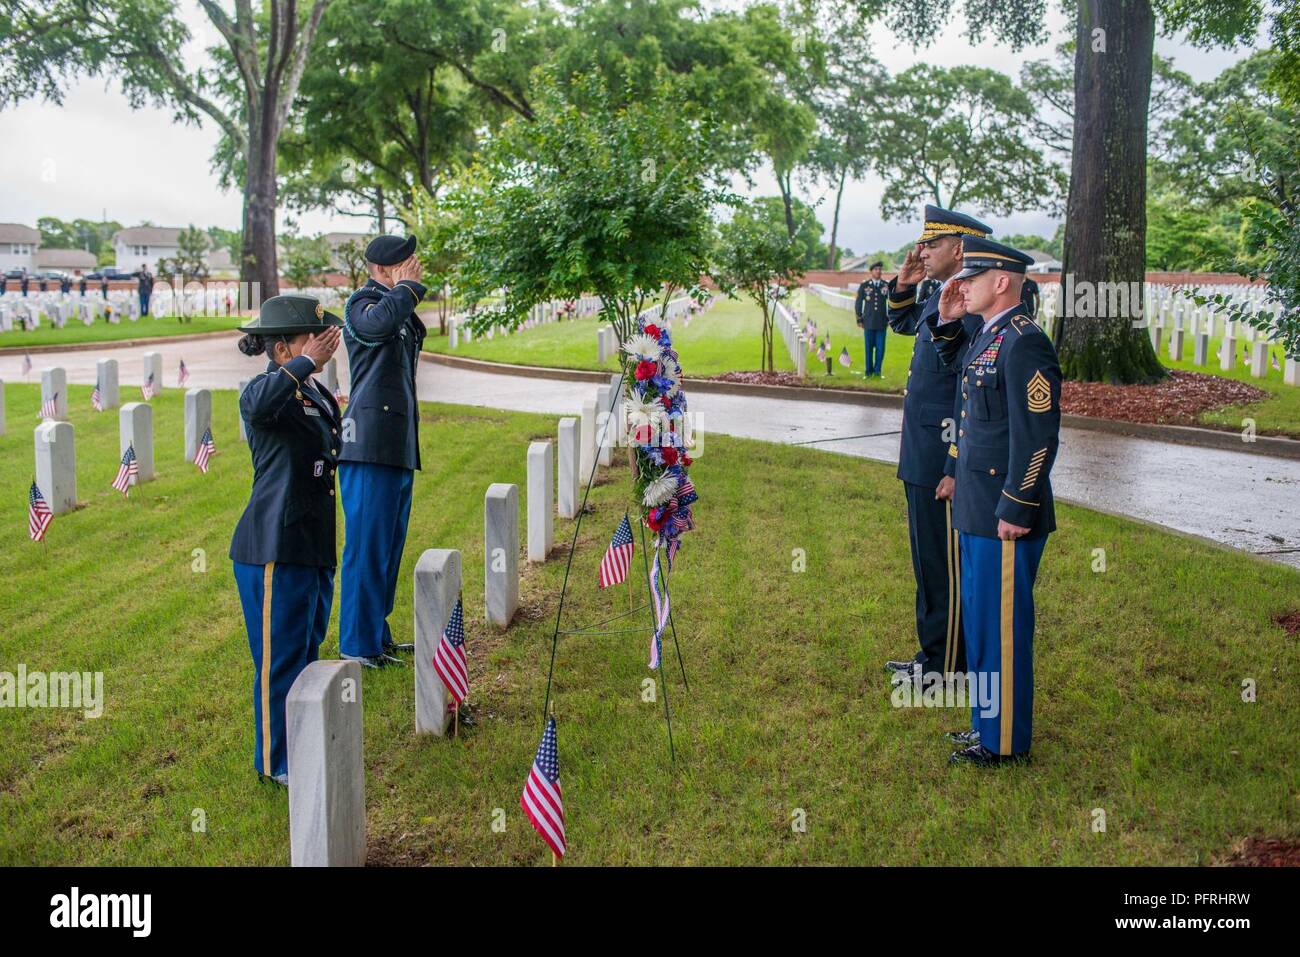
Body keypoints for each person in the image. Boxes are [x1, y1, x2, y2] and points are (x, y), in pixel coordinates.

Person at [929, 236, 1061, 766]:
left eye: (973, 277)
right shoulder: (989, 336)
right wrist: (947, 317)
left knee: (1003, 630)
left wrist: (1017, 505)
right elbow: (967, 401)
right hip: (977, 508)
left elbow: (1038, 437)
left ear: (1001, 282)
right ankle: (986, 729)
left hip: (1004, 512)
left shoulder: (1024, 342)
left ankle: (1006, 743)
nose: (962, 285)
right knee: (982, 625)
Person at [230, 295, 344, 785]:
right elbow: (258, 404)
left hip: (312, 542)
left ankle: (300, 742)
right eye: (308, 340)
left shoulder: (312, 393)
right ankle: (276, 762)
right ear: (281, 352)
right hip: (275, 546)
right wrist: (306, 363)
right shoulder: (263, 393)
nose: (321, 347)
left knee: (307, 648)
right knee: (280, 663)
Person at [882, 205, 992, 688]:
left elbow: (970, 390)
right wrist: (904, 286)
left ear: (959, 248)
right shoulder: (944, 294)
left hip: (942, 456)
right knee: (928, 560)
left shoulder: (971, 303)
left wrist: (954, 461)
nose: (921, 251)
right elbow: (905, 326)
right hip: (922, 452)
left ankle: (948, 668)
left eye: (931, 244)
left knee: (944, 565)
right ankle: (934, 655)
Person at [338, 235, 427, 668]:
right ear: (382, 269)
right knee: (367, 547)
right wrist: (405, 290)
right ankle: (355, 645)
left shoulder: (395, 307)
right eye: (405, 262)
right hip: (368, 446)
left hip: (396, 446)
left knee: (389, 548)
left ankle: (376, 633)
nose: (414, 266)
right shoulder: (362, 304)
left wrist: (404, 294)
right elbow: (377, 327)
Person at [855, 261, 890, 377]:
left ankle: (877, 372)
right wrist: (859, 318)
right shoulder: (865, 286)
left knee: (880, 349)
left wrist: (890, 318)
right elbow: (859, 302)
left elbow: (891, 303)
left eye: (880, 269)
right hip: (868, 322)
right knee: (868, 348)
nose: (878, 271)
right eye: (876, 269)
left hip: (881, 322)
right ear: (871, 271)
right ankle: (868, 372)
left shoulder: (886, 285)